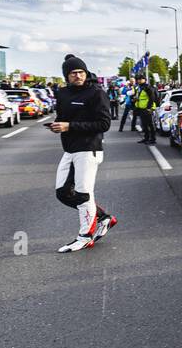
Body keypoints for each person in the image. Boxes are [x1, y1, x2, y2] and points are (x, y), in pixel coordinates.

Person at [50, 54, 115, 253]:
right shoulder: (62, 94)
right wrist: (57, 125)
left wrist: (70, 126)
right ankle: (103, 217)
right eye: (73, 73)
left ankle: (85, 236)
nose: (78, 76)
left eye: (81, 72)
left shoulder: (96, 93)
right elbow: (63, 117)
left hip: (89, 148)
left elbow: (104, 124)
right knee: (63, 193)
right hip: (69, 149)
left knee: (83, 194)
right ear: (66, 76)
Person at [131, 75, 158, 144]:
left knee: (150, 124)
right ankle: (146, 138)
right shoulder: (140, 87)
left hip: (147, 108)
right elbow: (140, 97)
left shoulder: (148, 87)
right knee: (144, 124)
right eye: (138, 79)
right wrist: (135, 99)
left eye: (140, 79)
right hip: (141, 108)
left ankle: (153, 139)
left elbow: (152, 98)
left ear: (144, 79)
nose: (138, 80)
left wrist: (149, 108)